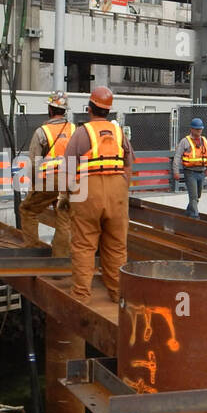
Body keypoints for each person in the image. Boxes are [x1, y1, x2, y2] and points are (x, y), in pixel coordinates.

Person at [63, 85, 134, 304]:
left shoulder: (81, 133)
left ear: (89, 108)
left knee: (84, 245)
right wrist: (122, 188)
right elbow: (129, 165)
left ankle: (82, 294)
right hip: (117, 192)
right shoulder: (119, 132)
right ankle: (117, 293)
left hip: (86, 192)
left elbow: (68, 168)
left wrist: (68, 196)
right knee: (116, 245)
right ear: (108, 110)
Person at [20, 91, 75, 257]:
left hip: (49, 180)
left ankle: (31, 251)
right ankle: (60, 259)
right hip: (69, 182)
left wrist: (34, 187)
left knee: (28, 210)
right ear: (64, 111)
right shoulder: (74, 129)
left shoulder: (42, 132)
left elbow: (34, 163)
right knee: (64, 219)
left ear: (50, 109)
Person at [173, 117, 207, 218]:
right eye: (197, 129)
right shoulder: (185, 141)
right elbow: (177, 157)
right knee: (193, 197)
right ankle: (195, 217)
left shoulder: (204, 141)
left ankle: (188, 214)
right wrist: (176, 171)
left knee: (197, 196)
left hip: (201, 172)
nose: (199, 131)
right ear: (192, 129)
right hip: (190, 173)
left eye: (200, 129)